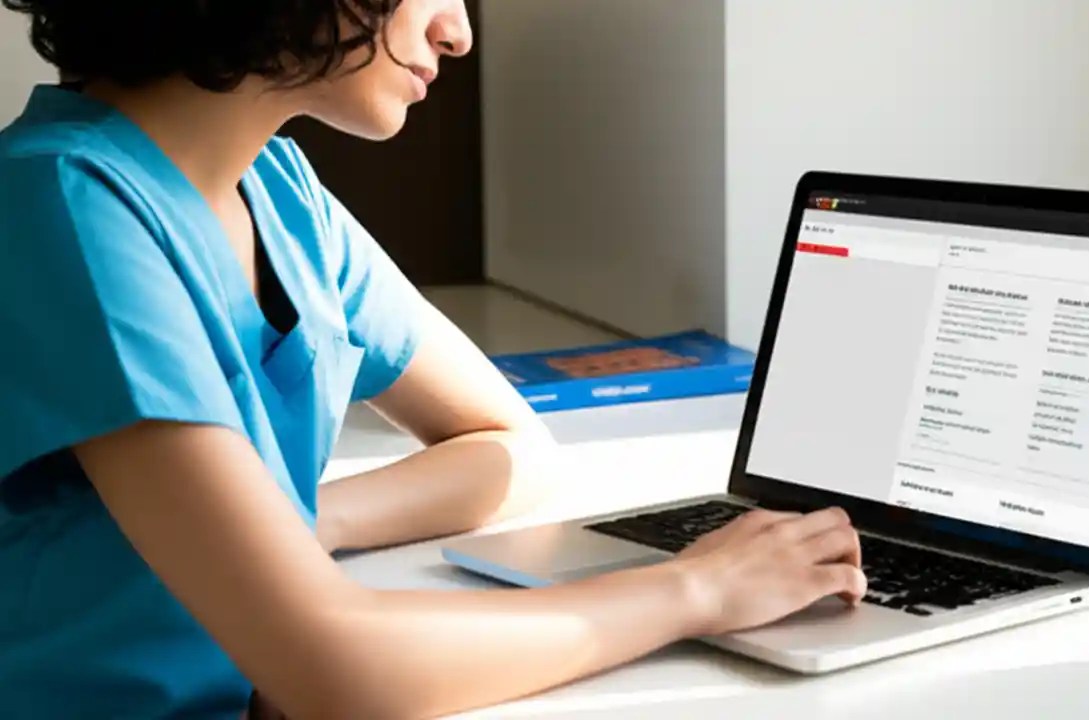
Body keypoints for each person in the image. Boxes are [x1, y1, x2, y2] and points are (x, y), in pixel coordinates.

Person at [0, 1, 868, 717]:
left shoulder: (281, 192)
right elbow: (335, 671)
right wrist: (698, 591)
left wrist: (295, 528)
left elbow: (511, 450)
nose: (457, 30)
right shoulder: (65, 208)